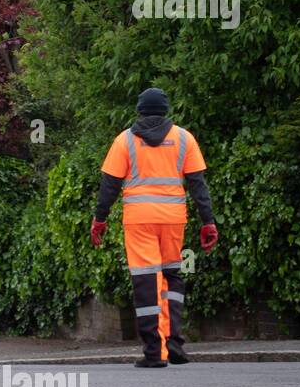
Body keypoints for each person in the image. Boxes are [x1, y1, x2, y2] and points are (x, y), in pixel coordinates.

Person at [90, 87, 219, 368]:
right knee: (172, 277)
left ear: (139, 110)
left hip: (139, 221)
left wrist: (100, 220)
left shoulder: (124, 141)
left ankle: (154, 352)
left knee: (146, 280)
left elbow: (109, 186)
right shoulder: (185, 139)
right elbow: (198, 185)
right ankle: (173, 344)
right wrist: (208, 222)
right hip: (174, 220)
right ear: (166, 109)